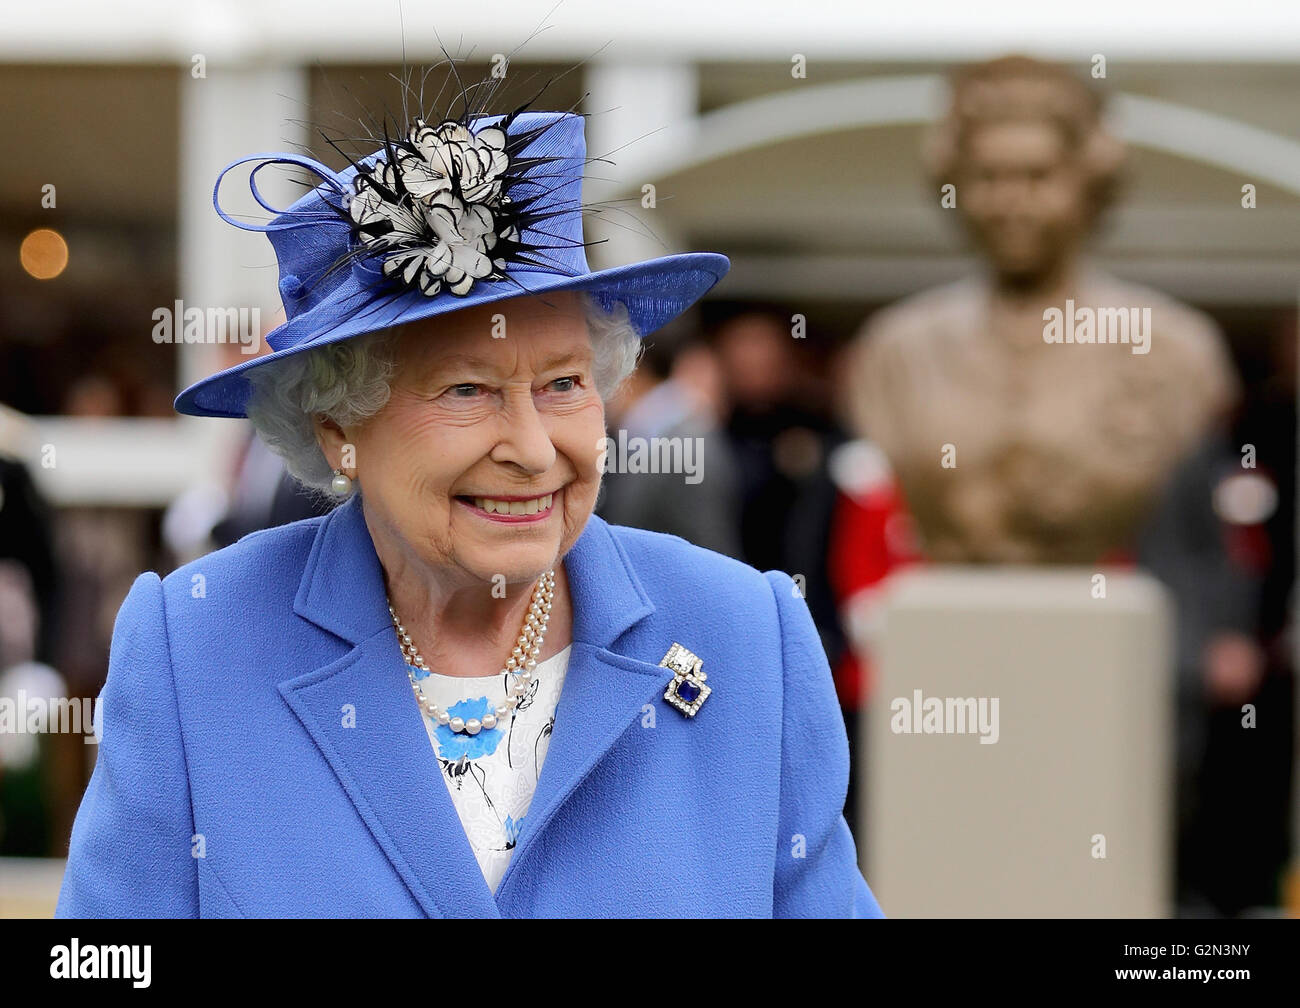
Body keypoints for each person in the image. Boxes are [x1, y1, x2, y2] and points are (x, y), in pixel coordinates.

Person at [55, 82, 882, 918]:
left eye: (564, 383)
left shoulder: (746, 635)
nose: (531, 449)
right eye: (465, 390)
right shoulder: (196, 645)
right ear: (340, 427)